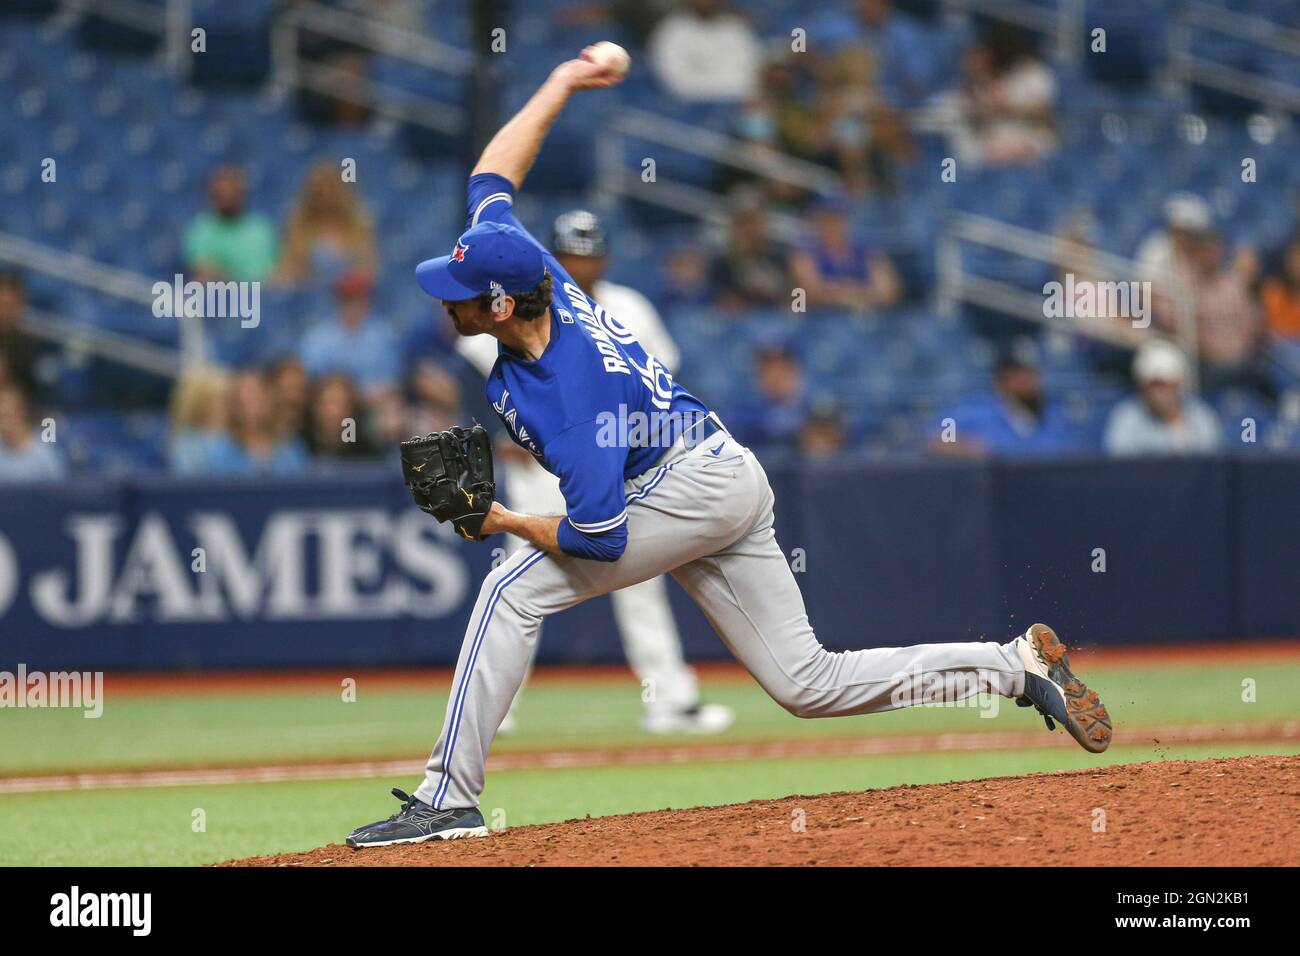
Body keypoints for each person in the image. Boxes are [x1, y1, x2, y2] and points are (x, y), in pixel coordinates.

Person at [344, 49, 1112, 848]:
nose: (446, 300)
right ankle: (1014, 664)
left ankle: (448, 799)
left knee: (512, 591)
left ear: (500, 305)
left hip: (687, 488)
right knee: (807, 683)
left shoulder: (573, 402)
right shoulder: (530, 265)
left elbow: (601, 541)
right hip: (719, 470)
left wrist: (500, 519)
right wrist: (563, 80)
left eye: (460, 296)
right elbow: (493, 174)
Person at [457, 209, 735, 736]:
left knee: (640, 578)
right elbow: (473, 367)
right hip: (545, 464)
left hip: (619, 462)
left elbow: (660, 385)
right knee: (517, 579)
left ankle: (670, 700)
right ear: (556, 259)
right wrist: (498, 435)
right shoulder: (524, 303)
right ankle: (496, 712)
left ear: (604, 257)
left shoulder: (630, 305)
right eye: (571, 254)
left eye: (589, 253)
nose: (580, 263)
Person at [934, 339, 1081, 458]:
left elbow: (1070, 453)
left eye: (1031, 373)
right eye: (1019, 374)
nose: (1028, 381)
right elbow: (939, 439)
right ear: (1002, 379)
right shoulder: (975, 410)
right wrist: (969, 449)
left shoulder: (1054, 414)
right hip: (991, 489)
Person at [298, 269, 402, 399]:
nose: (353, 307)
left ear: (367, 302)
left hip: (373, 404)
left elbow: (393, 381)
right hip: (331, 404)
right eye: (347, 300)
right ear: (337, 302)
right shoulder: (317, 338)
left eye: (358, 300)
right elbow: (310, 381)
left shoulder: (383, 334)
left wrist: (363, 396)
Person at [1103, 341, 1221, 456]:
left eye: (1167, 384)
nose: (1160, 393)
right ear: (1142, 387)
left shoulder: (1200, 416)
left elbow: (1212, 463)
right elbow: (1120, 465)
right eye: (1154, 385)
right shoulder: (1127, 418)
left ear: (1178, 384)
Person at [787, 196, 901, 313]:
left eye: (838, 219)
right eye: (828, 219)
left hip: (866, 316)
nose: (833, 225)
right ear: (817, 221)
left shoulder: (867, 251)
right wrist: (858, 294)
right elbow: (810, 291)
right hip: (820, 318)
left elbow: (888, 292)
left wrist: (839, 291)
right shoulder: (805, 252)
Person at [277, 161, 378, 287]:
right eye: (321, 190)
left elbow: (369, 267)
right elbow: (286, 271)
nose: (327, 195)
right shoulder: (297, 228)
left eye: (332, 189)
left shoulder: (360, 227)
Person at [647, 0, 762, 102]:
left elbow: (752, 72)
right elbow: (675, 81)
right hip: (689, 107)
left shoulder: (736, 27)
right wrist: (727, 86)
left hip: (736, 103)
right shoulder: (670, 31)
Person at [183, 166, 279, 283]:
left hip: (266, 294)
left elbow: (278, 268)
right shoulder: (200, 230)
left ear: (242, 193)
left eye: (232, 192)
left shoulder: (261, 227)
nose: (227, 197)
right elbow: (203, 272)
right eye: (222, 194)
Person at [0, 384, 66, 482]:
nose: (3, 422)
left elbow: (60, 493)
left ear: (21, 414)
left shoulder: (44, 454)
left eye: (7, 415)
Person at [0, 271, 45, 403]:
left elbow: (30, 395)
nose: (5, 313)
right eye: (1, 305)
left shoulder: (28, 348)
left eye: (11, 307)